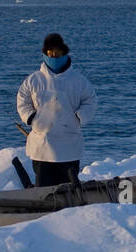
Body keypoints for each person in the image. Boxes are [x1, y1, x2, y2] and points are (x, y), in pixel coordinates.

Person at [16, 32, 97, 187]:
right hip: (42, 146)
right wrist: (32, 117)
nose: (54, 56)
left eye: (57, 52)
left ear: (64, 52)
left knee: (70, 189)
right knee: (44, 190)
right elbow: (22, 101)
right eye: (50, 52)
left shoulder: (78, 80)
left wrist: (78, 117)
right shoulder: (34, 79)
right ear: (45, 53)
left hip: (69, 146)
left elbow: (91, 101)